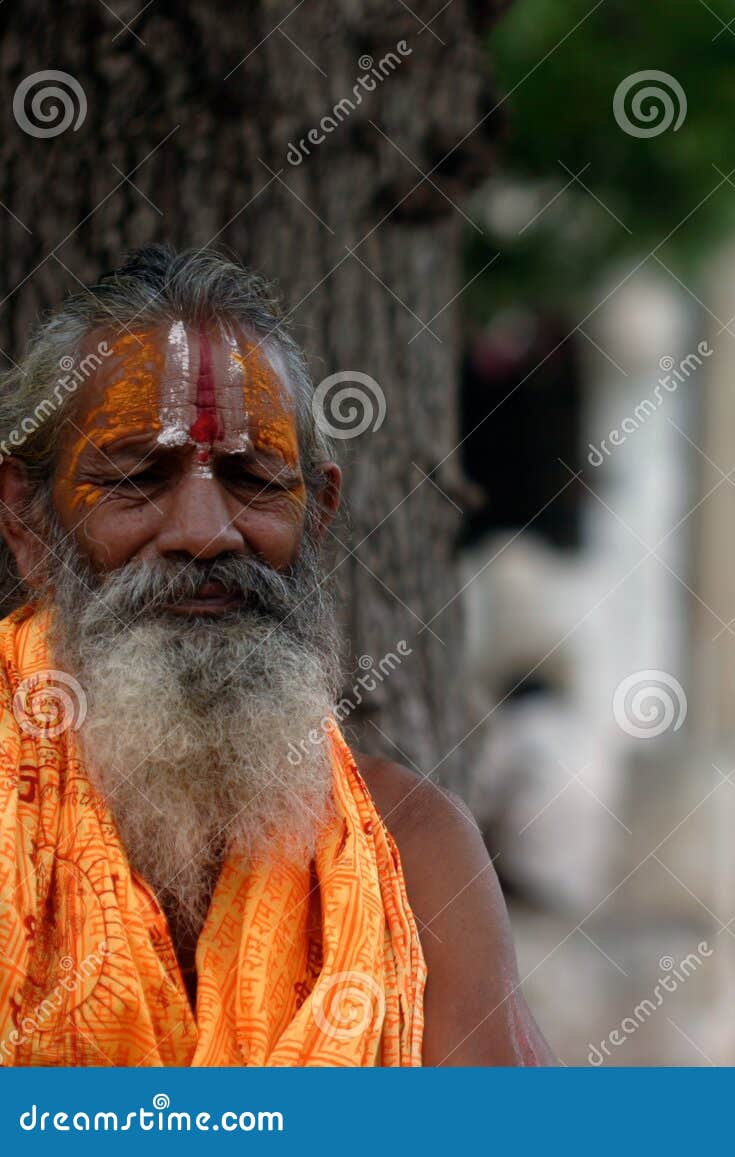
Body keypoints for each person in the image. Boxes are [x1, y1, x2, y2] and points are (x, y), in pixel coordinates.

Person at [0, 245, 550, 1066]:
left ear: (317, 515)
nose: (205, 531)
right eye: (138, 478)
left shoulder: (419, 849)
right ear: (28, 524)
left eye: (252, 477)